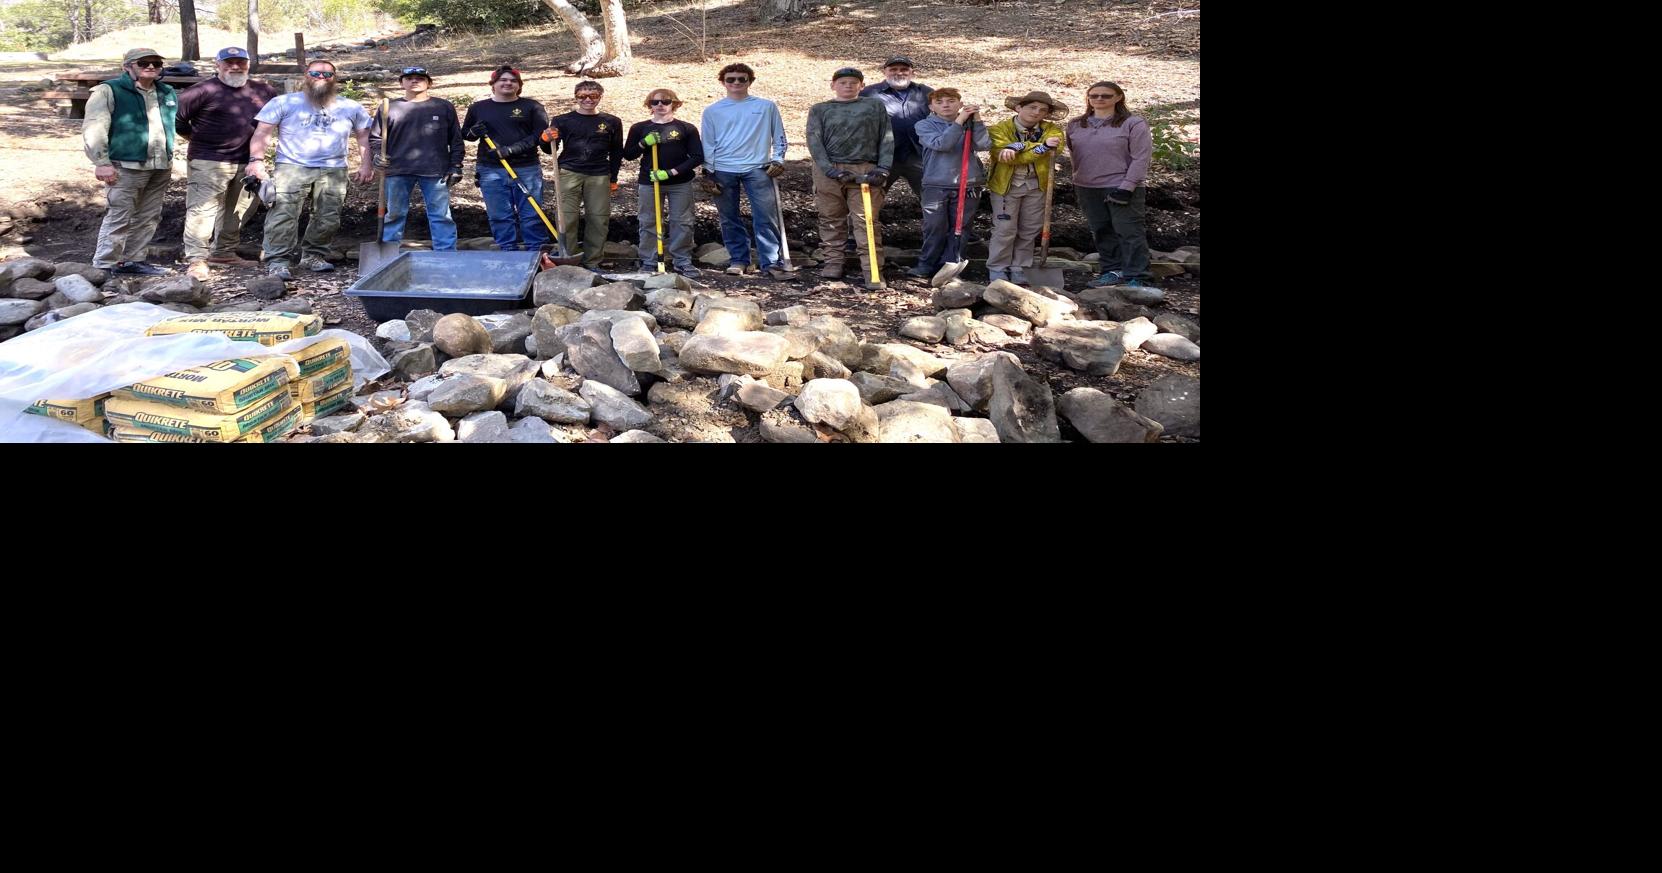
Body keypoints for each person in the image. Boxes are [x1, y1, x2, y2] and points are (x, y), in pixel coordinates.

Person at [245, 59, 375, 280]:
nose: (321, 78)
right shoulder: (284, 102)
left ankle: (313, 256)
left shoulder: (350, 106)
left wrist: (366, 164)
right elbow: (262, 133)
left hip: (334, 169)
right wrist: (256, 160)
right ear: (306, 75)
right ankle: (278, 260)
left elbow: (363, 136)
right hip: (292, 166)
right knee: (283, 214)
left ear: (335, 78)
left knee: (328, 216)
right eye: (316, 73)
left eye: (327, 75)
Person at [174, 46, 278, 281]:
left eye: (240, 62)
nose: (235, 66)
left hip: (249, 162)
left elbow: (275, 118)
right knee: (203, 210)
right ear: (217, 64)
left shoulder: (263, 90)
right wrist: (198, 139)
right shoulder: (201, 90)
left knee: (240, 209)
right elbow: (179, 121)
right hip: (208, 160)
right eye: (229, 62)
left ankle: (223, 252)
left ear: (248, 64)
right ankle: (197, 259)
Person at [81, 47, 179, 275]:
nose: (151, 67)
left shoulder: (166, 92)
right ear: (127, 67)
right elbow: (94, 127)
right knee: (119, 216)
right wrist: (101, 162)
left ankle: (133, 260)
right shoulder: (109, 90)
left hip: (160, 165)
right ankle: (104, 265)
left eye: (156, 63)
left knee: (149, 216)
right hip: (126, 166)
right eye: (144, 63)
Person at [699, 63, 794, 280]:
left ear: (750, 81)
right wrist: (708, 171)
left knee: (765, 215)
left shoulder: (766, 106)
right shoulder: (713, 111)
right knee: (728, 216)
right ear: (723, 82)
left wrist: (778, 159)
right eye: (731, 79)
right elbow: (708, 141)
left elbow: (779, 135)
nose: (736, 83)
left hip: (759, 168)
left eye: (742, 79)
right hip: (723, 168)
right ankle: (739, 259)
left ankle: (770, 261)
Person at [806, 66, 894, 289]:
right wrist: (829, 169)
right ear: (833, 85)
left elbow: (886, 137)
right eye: (843, 82)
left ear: (862, 86)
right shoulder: (820, 109)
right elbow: (814, 141)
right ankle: (833, 262)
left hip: (865, 169)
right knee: (831, 217)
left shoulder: (874, 106)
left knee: (866, 221)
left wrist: (883, 167)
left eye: (853, 82)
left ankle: (872, 270)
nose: (848, 86)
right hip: (830, 171)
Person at [1068, 81, 1155, 290]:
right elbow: (1073, 153)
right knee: (1101, 229)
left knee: (1129, 231)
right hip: (1087, 186)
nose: (1099, 99)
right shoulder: (1076, 124)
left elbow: (1141, 158)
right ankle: (1112, 270)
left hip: (1122, 185)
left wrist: (1127, 187)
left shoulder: (1133, 123)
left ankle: (1138, 276)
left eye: (1105, 95)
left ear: (1118, 98)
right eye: (1094, 95)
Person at [369, 66, 464, 252]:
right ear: (401, 82)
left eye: (420, 78)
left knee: (441, 215)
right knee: (395, 214)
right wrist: (377, 155)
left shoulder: (443, 107)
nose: (414, 80)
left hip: (435, 170)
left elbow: (456, 140)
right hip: (397, 169)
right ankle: (388, 253)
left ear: (429, 83)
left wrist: (456, 165)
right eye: (409, 77)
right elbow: (375, 138)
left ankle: (446, 255)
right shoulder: (389, 107)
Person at [460, 65, 552, 252]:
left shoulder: (532, 107)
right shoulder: (478, 108)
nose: (508, 83)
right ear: (493, 84)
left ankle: (536, 252)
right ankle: (507, 251)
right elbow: (466, 134)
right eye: (503, 80)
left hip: (526, 168)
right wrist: (473, 131)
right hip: (490, 169)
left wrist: (510, 150)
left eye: (513, 80)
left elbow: (538, 136)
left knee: (531, 213)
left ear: (519, 85)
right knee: (499, 215)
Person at [986, 90, 1067, 286]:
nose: (1037, 112)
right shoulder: (999, 129)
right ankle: (997, 268)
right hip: (1007, 187)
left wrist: (1018, 146)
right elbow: (1010, 157)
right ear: (1018, 107)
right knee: (1004, 229)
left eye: (1042, 110)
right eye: (1032, 107)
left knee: (1029, 229)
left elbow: (1057, 149)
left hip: (1036, 187)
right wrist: (1040, 147)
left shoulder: (1052, 130)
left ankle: (1019, 267)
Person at [621, 88, 704, 277]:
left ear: (674, 104)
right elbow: (629, 154)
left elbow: (697, 156)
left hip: (680, 183)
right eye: (655, 102)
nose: (660, 105)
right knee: (649, 220)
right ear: (649, 105)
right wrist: (644, 143)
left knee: (682, 221)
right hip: (649, 182)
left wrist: (671, 173)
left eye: (665, 101)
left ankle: (682, 260)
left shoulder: (686, 128)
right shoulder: (640, 128)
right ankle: (650, 261)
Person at [909, 88, 990, 279]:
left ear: (960, 104)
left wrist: (977, 120)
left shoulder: (971, 124)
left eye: (951, 101)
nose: (946, 105)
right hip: (936, 184)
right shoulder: (924, 125)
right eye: (940, 102)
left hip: (967, 184)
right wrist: (959, 122)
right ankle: (926, 264)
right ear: (932, 107)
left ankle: (952, 266)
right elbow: (942, 144)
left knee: (960, 227)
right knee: (934, 225)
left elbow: (984, 145)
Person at [547, 80, 623, 268]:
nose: (588, 99)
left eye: (593, 96)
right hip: (568, 172)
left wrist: (613, 178)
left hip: (599, 174)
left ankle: (592, 260)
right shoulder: (562, 120)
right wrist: (545, 139)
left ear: (600, 97)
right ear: (576, 97)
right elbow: (550, 149)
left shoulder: (612, 121)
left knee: (598, 218)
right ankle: (568, 257)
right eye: (582, 96)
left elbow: (616, 152)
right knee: (567, 217)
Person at [858, 56, 933, 200]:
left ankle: (935, 223)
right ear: (884, 71)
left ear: (912, 72)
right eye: (893, 69)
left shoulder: (925, 92)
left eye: (904, 69)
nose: (899, 73)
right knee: (871, 198)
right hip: (882, 157)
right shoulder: (868, 94)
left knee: (931, 196)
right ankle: (865, 223)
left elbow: (943, 114)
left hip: (918, 155)